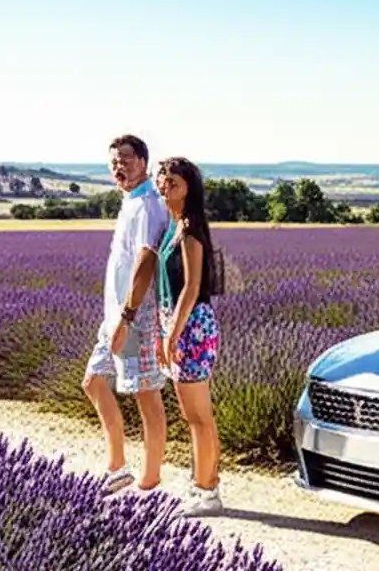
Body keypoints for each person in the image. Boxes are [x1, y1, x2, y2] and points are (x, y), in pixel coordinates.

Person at [81, 134, 170, 496]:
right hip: (115, 316)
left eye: (127, 159)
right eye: (114, 161)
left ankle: (149, 481)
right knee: (94, 381)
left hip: (136, 316)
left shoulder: (149, 203)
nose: (120, 166)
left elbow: (146, 259)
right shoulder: (130, 201)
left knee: (146, 394)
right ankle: (118, 468)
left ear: (144, 163)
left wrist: (129, 317)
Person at [153, 156, 223, 517]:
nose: (165, 185)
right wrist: (160, 331)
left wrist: (173, 335)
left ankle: (207, 491)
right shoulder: (173, 225)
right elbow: (166, 286)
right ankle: (206, 481)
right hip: (178, 324)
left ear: (188, 188)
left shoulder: (191, 227)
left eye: (173, 181)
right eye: (161, 179)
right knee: (194, 414)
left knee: (198, 415)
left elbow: (192, 287)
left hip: (192, 326)